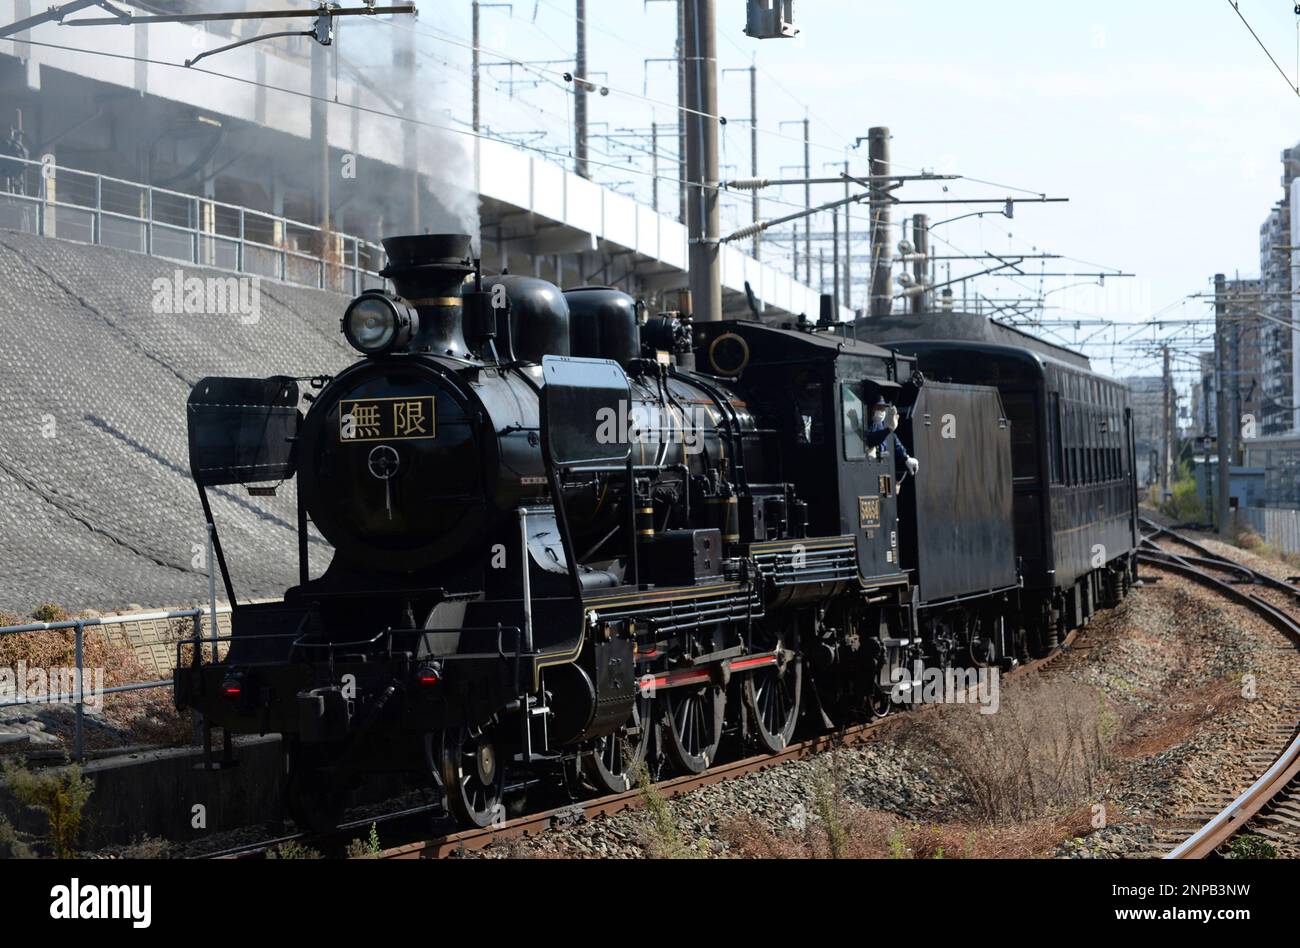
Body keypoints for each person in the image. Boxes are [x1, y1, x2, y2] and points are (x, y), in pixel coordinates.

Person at [866, 393, 920, 479]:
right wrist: (890, 429)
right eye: (879, 408)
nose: (882, 411)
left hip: (882, 465)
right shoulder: (866, 424)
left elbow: (893, 438)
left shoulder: (880, 424)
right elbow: (871, 440)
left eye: (883, 408)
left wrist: (906, 457)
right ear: (871, 408)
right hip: (869, 467)